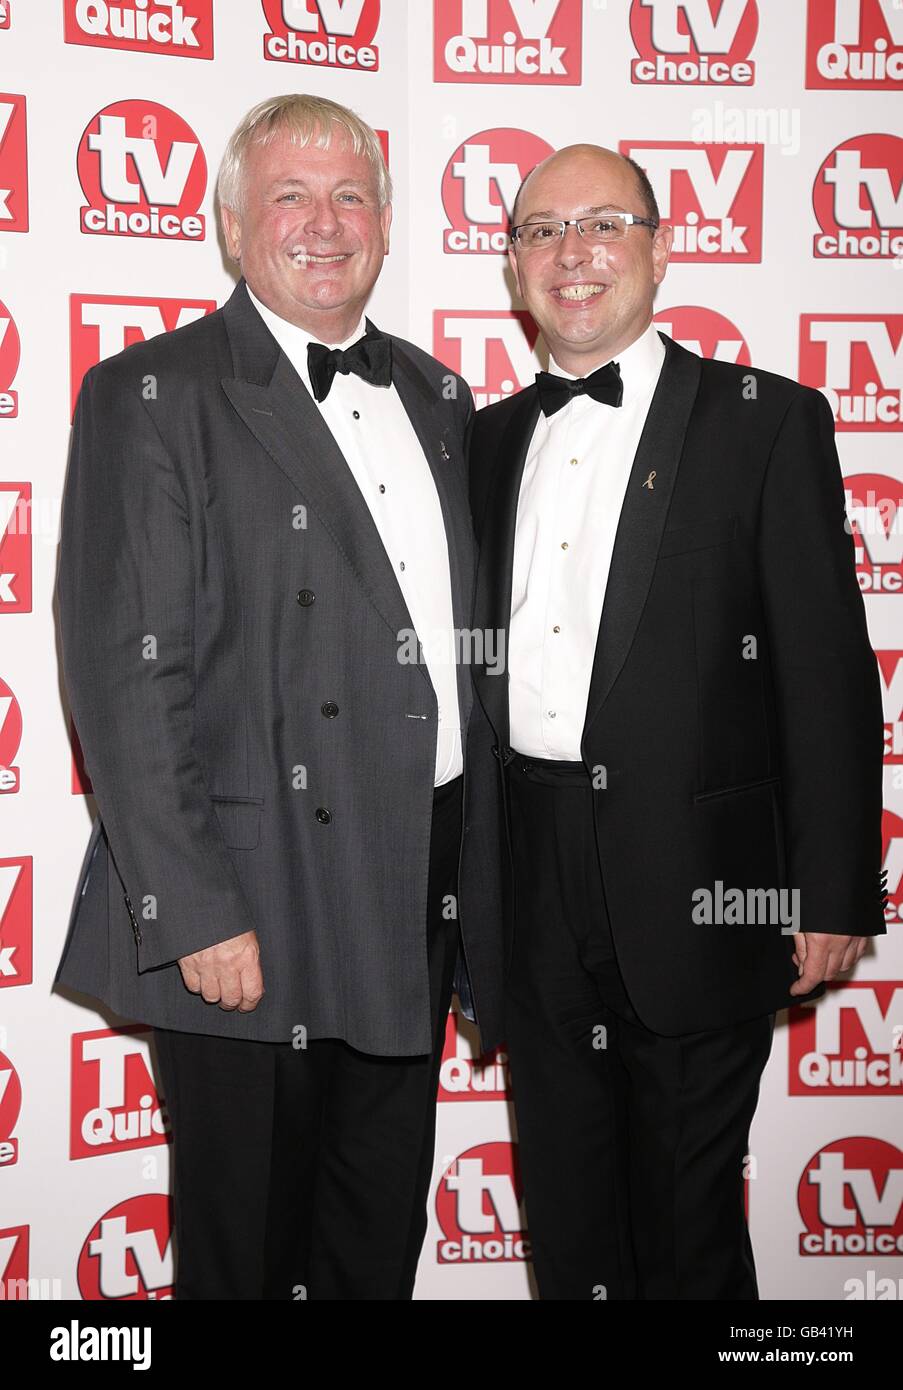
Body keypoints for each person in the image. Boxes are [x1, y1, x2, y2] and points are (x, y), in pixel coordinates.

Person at [55, 94, 504, 1300]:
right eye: (291, 196)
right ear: (232, 224)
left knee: (372, 1246)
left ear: (388, 221)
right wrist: (194, 907)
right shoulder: (153, 393)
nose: (324, 222)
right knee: (246, 1258)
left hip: (414, 891)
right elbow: (119, 669)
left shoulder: (442, 401)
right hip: (249, 903)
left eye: (350, 194)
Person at [468, 143, 887, 1300]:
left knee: (686, 1221)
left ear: (661, 247)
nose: (574, 253)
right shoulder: (487, 440)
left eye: (604, 223)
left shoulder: (766, 423)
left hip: (704, 882)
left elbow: (827, 673)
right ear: (514, 269)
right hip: (530, 872)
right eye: (543, 230)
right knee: (569, 1217)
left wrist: (837, 887)